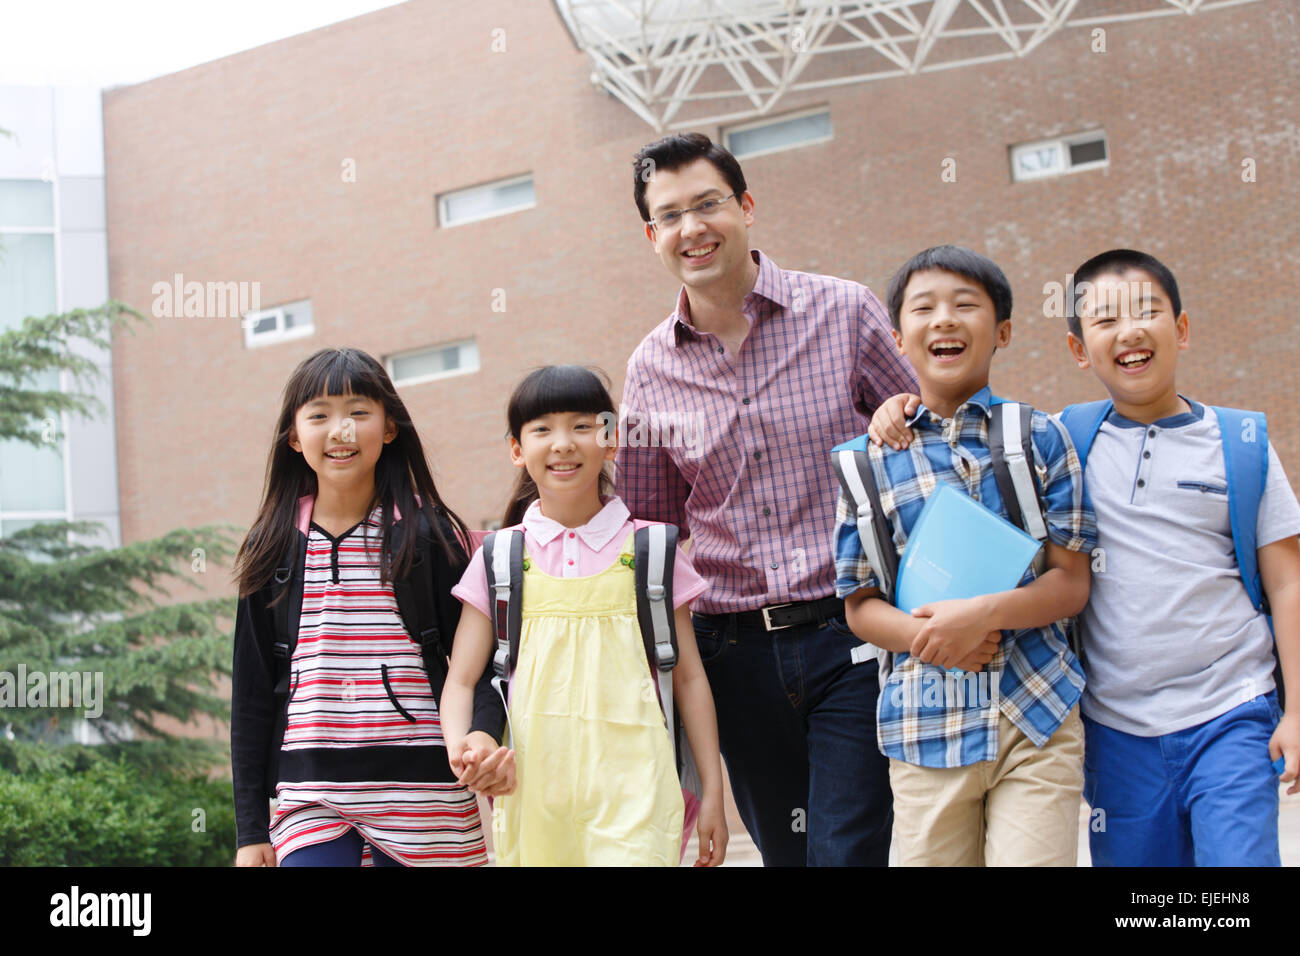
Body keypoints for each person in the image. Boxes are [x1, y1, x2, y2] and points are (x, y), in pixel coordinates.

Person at [867, 248, 1300, 866]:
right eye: (1103, 321)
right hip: (1114, 725)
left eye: (1147, 312)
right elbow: (968, 431)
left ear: (1180, 328)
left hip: (1232, 708)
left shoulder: (1241, 442)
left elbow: (1288, 586)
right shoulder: (1060, 436)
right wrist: (897, 407)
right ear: (1078, 350)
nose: (1129, 331)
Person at [618, 132, 918, 865]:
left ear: (746, 206)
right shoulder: (649, 371)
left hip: (849, 631)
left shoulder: (844, 312)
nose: (693, 228)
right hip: (733, 655)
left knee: (844, 851)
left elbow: (923, 432)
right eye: (671, 216)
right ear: (652, 235)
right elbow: (649, 536)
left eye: (708, 204)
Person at [836, 245, 1095, 866]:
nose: (945, 319)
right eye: (924, 308)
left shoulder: (1039, 436)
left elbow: (1071, 584)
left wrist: (980, 616)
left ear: (1002, 330)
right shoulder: (867, 462)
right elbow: (859, 603)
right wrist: (929, 636)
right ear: (898, 338)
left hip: (1036, 712)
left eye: (966, 306)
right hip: (925, 730)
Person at [231, 348, 509, 867]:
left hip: (427, 800)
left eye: (359, 412)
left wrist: (482, 734)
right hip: (310, 797)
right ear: (294, 436)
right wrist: (250, 830)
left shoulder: (428, 539)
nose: (341, 430)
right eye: (319, 415)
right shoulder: (272, 548)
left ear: (388, 428)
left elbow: (480, 665)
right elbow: (250, 696)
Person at [440, 365, 728, 866]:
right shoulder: (499, 558)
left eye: (581, 425)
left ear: (612, 439)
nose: (563, 443)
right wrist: (463, 751)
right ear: (516, 449)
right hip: (532, 796)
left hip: (638, 791)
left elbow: (689, 680)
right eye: (542, 429)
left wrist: (714, 797)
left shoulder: (653, 547)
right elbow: (462, 681)